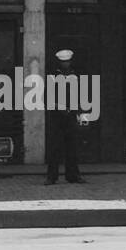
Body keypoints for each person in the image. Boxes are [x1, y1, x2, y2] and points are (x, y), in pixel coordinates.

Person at [46, 49, 86, 184]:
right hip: (57, 116)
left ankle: (73, 175)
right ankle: (51, 177)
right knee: (54, 147)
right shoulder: (52, 76)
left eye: (67, 62)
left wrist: (79, 111)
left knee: (72, 147)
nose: (65, 64)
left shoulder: (75, 76)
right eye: (63, 62)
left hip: (71, 115)